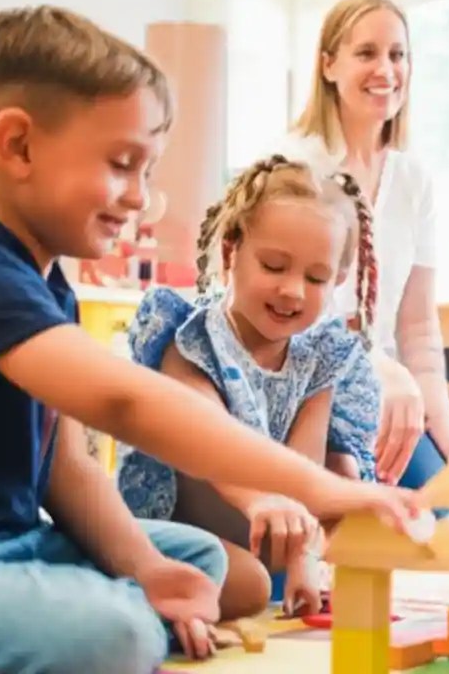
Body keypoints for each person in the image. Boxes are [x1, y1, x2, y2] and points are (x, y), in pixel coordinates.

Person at [0, 5, 417, 674]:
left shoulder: (44, 285)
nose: (141, 199)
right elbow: (124, 403)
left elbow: (66, 468)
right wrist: (322, 489)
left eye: (147, 171)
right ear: (17, 146)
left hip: (12, 544)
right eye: (124, 164)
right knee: (114, 636)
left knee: (197, 559)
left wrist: (146, 567)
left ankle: (105, 602)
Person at [117, 155, 379, 619]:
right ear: (230, 251)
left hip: (260, 529)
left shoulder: (321, 355)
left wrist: (304, 559)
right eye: (275, 266)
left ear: (337, 280)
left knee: (353, 515)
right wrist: (259, 499)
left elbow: (301, 467)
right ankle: (124, 593)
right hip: (178, 528)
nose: (293, 291)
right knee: (249, 587)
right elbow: (202, 434)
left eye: (316, 277)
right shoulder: (190, 336)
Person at [275, 0, 449, 488]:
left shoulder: (413, 181)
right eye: (366, 53)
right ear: (328, 65)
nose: (385, 68)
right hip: (303, 389)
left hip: (391, 398)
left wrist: (447, 430)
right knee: (353, 528)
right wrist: (372, 366)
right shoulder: (294, 168)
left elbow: (418, 329)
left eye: (397, 54)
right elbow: (286, 311)